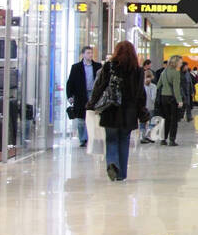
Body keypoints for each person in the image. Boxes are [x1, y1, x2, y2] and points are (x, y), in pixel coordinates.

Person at [88, 40, 145, 181]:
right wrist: (141, 111)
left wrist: (92, 103)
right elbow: (140, 93)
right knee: (124, 141)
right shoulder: (138, 70)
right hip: (129, 112)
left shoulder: (109, 66)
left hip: (111, 110)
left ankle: (112, 162)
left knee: (112, 139)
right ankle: (122, 174)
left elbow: (100, 87)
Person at [66, 45, 101, 147]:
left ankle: (91, 138)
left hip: (93, 94)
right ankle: (83, 139)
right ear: (83, 54)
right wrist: (70, 96)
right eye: (88, 53)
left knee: (93, 117)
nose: (90, 55)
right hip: (81, 95)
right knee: (81, 119)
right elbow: (70, 82)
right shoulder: (76, 67)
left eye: (91, 53)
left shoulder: (98, 66)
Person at [155, 55, 184, 145]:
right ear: (176, 63)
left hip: (163, 97)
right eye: (180, 62)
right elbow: (176, 88)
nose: (181, 63)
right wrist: (179, 100)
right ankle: (172, 140)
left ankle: (163, 139)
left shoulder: (164, 71)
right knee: (174, 120)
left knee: (166, 119)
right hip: (172, 98)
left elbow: (158, 85)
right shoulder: (176, 73)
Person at [139, 70, 157, 143]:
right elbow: (153, 98)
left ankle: (142, 137)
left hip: (142, 106)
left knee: (142, 122)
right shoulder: (153, 86)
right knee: (151, 121)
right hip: (151, 107)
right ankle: (148, 135)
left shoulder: (141, 86)